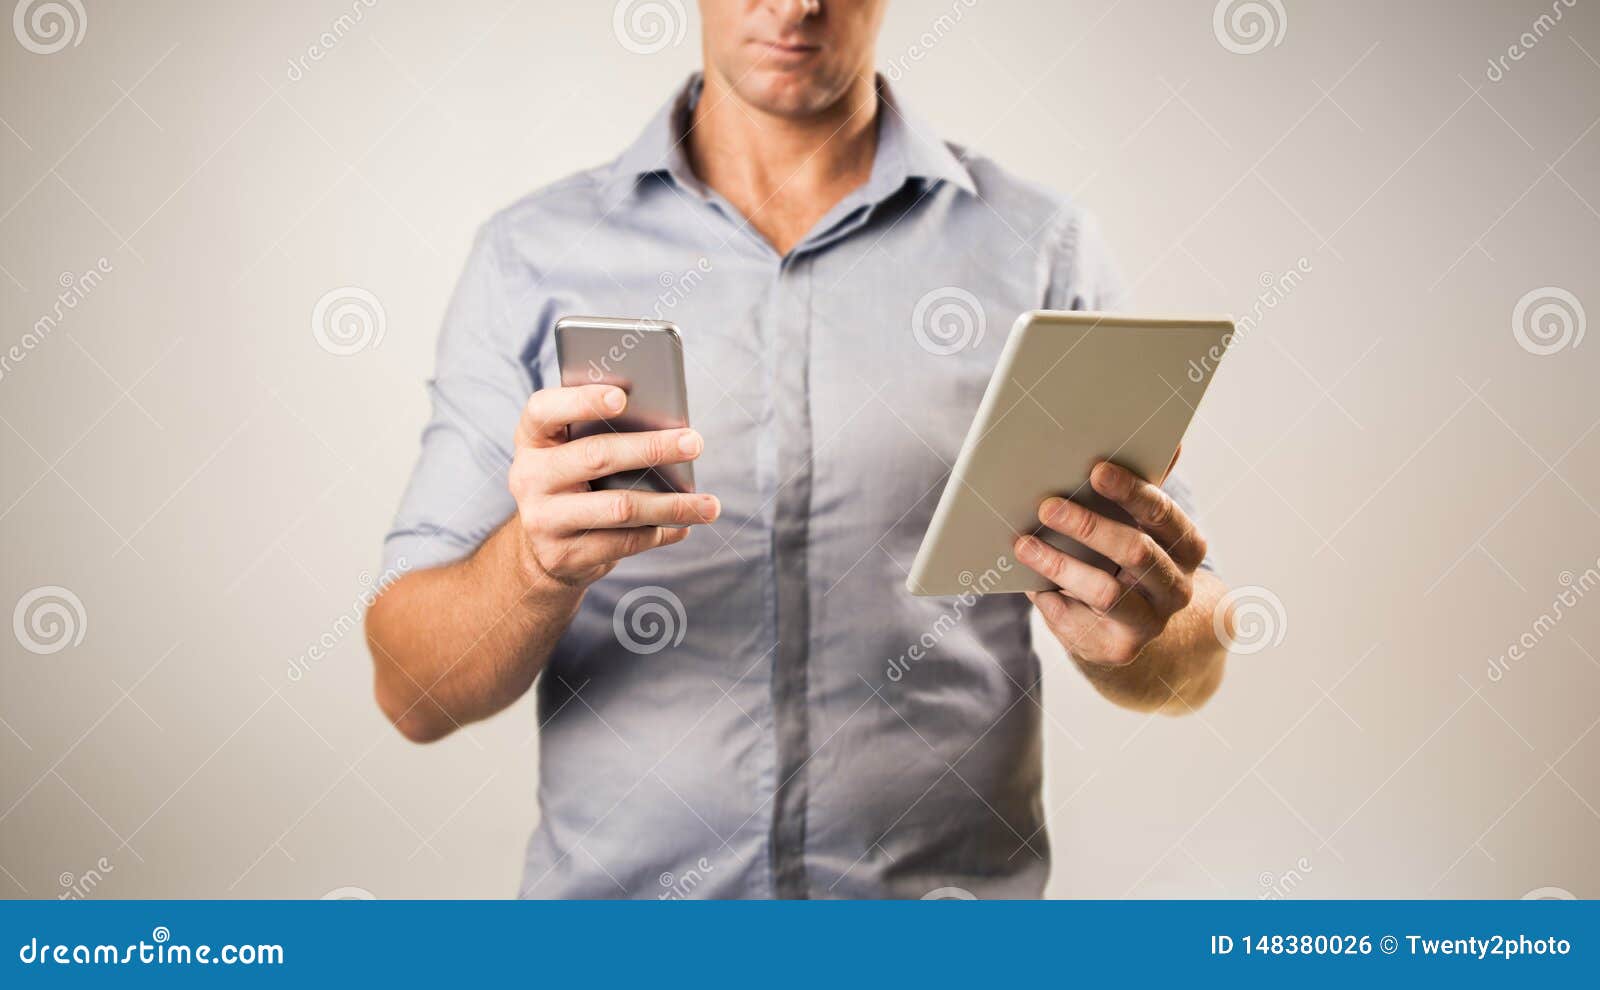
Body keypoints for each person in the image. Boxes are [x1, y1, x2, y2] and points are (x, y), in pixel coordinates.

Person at [365, 0, 1232, 899]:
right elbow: (412, 694)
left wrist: (1140, 631)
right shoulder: (531, 255)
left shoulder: (1039, 248)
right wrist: (532, 570)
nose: (795, 5)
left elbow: (1191, 657)